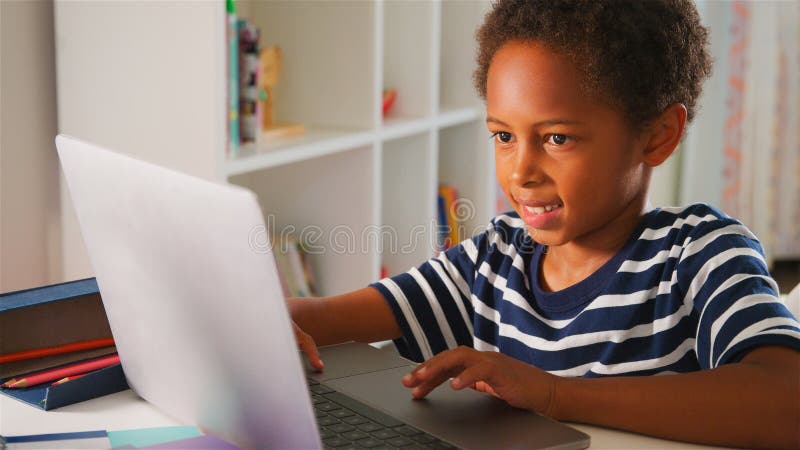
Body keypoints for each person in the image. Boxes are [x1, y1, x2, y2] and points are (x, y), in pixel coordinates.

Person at [288, 1, 800, 448]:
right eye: (504, 136)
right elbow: (327, 317)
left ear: (658, 135)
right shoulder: (498, 256)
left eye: (556, 138)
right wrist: (273, 323)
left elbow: (786, 401)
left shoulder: (699, 253)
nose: (521, 172)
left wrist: (553, 393)